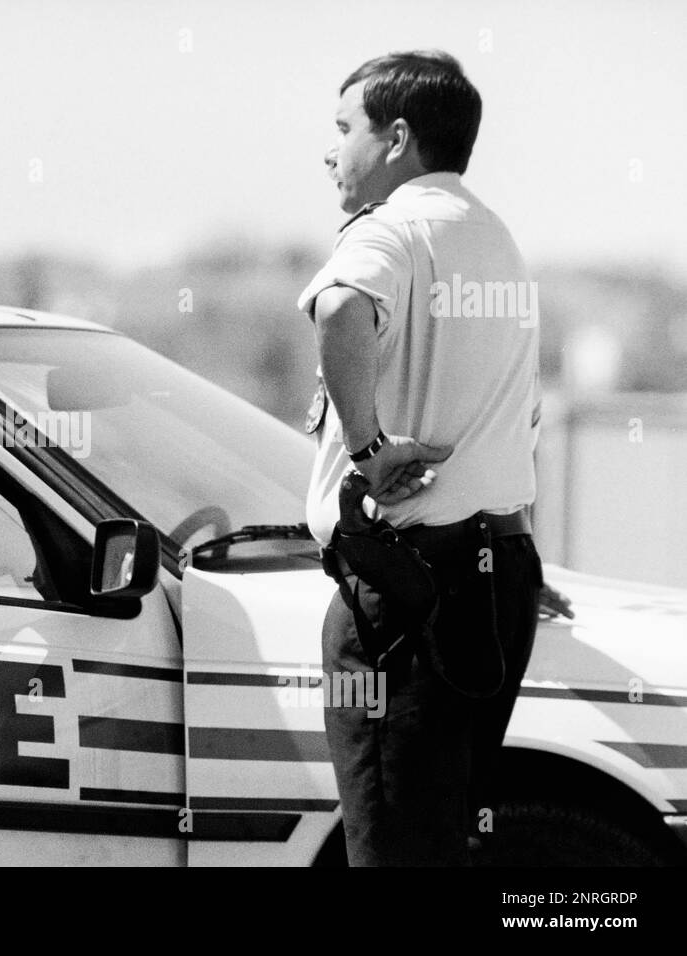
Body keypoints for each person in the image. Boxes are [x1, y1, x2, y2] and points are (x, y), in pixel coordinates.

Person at [296, 52, 544, 865]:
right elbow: (519, 420)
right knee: (444, 843)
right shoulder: (498, 240)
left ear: (397, 138)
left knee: (391, 843)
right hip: (496, 580)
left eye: (345, 129)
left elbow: (339, 307)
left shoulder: (393, 228)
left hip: (404, 594)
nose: (331, 152)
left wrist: (367, 448)